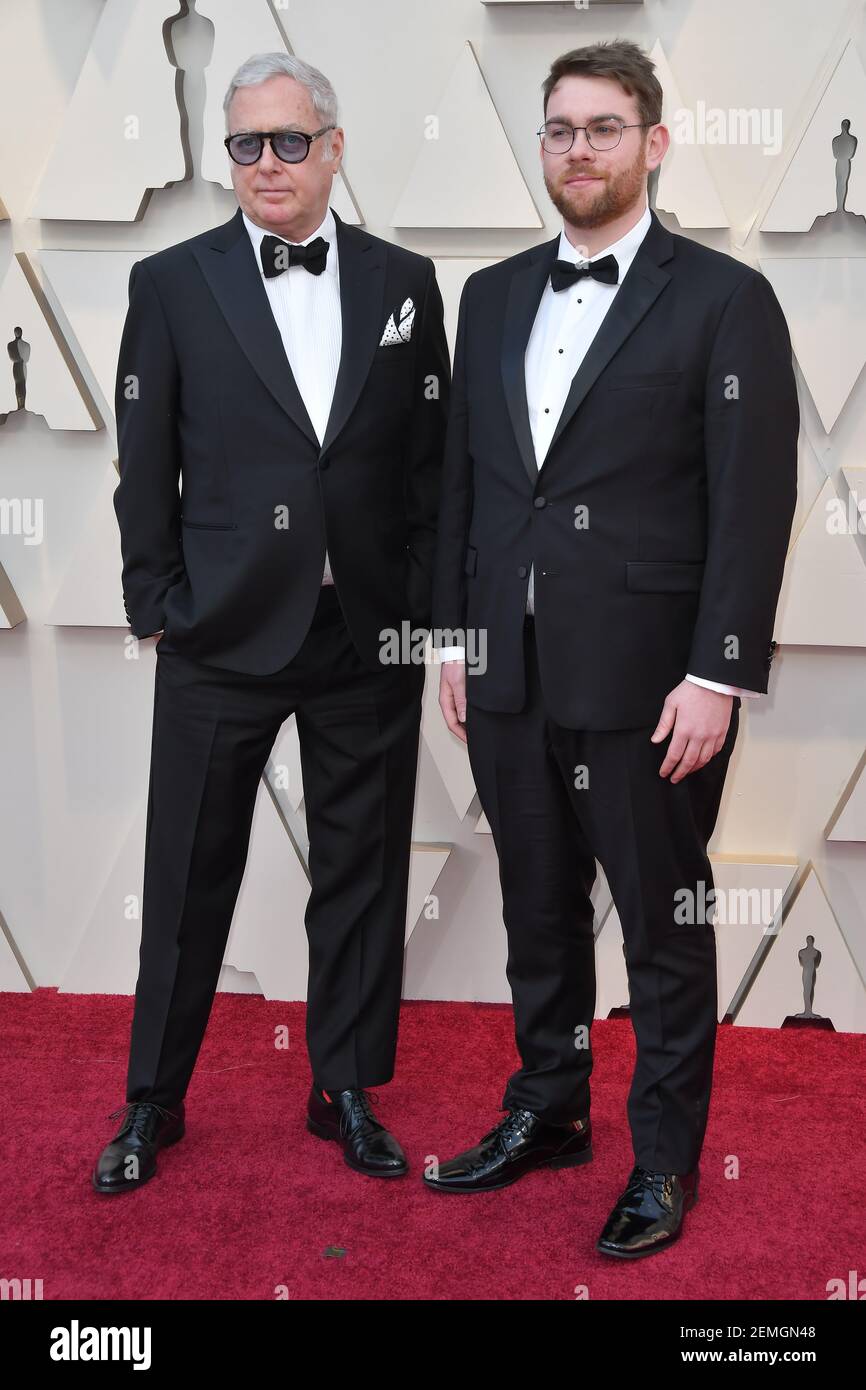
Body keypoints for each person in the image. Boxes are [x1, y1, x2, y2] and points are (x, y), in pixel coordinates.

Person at [428, 39, 798, 1258]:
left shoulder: (723, 298)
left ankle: (662, 1162)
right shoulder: (486, 298)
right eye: (557, 130)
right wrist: (448, 637)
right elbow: (463, 490)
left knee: (660, 926)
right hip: (508, 666)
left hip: (651, 681)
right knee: (535, 915)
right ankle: (547, 1110)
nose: (575, 150)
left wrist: (718, 672)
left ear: (652, 142)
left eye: (600, 127)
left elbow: (752, 499)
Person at [94, 52, 449, 1193]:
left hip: (365, 635)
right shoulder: (172, 283)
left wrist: (432, 622)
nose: (265, 165)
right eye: (244, 145)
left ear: (333, 148)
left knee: (360, 868)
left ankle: (339, 1087)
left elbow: (429, 473)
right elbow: (141, 464)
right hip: (220, 634)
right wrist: (155, 605)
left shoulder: (404, 283)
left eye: (288, 141)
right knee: (187, 870)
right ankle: (153, 1099)